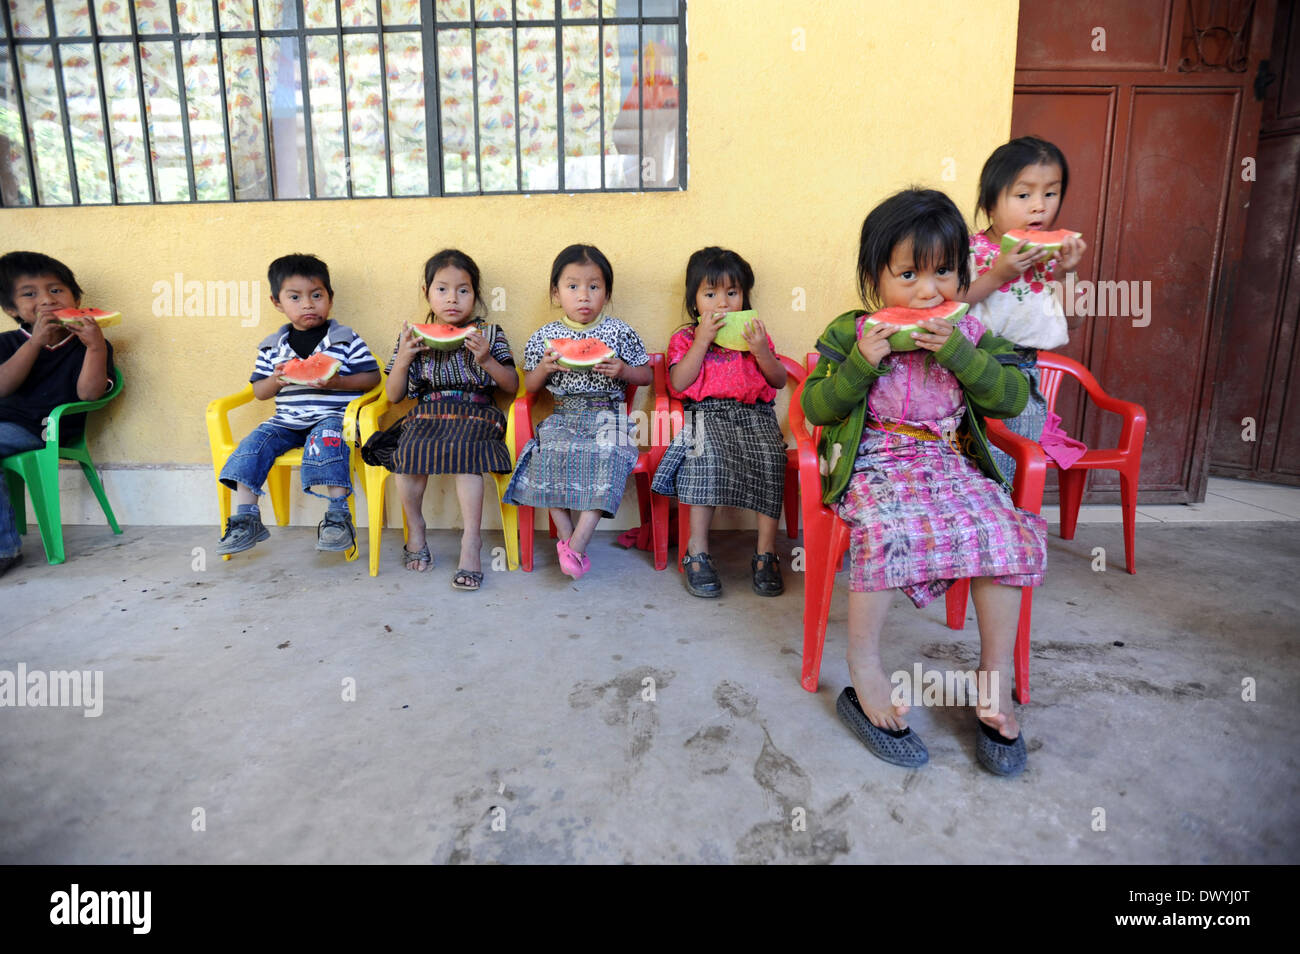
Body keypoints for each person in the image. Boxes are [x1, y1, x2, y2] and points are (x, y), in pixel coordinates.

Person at [802, 188, 1048, 776]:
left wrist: (964, 356)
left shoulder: (974, 332)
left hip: (949, 459)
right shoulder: (849, 332)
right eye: (908, 274)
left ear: (964, 273)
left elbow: (1013, 398)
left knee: (1004, 529)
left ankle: (994, 678)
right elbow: (816, 407)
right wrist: (862, 362)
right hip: (875, 462)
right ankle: (864, 666)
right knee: (886, 529)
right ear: (874, 278)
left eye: (943, 272)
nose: (927, 291)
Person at [502, 244, 652, 580]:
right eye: (573, 286)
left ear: (606, 293)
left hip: (609, 415)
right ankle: (567, 536)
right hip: (563, 416)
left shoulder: (620, 332)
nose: (583, 295)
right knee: (545, 453)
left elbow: (646, 375)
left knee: (611, 452)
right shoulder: (545, 336)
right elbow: (531, 387)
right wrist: (543, 367)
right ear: (556, 293)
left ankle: (577, 543)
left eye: (594, 286)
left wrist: (625, 372)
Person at [217, 253, 380, 556]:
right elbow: (260, 392)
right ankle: (245, 519)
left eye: (316, 295)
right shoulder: (270, 346)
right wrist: (278, 379)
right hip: (287, 421)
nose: (307, 304)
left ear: (329, 298)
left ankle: (337, 515)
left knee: (328, 441)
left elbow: (371, 377)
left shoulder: (346, 339)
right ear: (277, 302)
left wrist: (339, 382)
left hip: (333, 417)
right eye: (295, 297)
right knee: (253, 444)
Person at [651, 246, 788, 598]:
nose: (722, 303)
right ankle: (697, 551)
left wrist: (760, 351)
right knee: (704, 455)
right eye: (710, 294)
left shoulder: (754, 334)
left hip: (755, 415)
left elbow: (778, 381)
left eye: (732, 293)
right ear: (694, 301)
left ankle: (766, 553)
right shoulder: (684, 338)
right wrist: (701, 341)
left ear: (744, 297)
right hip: (704, 416)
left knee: (773, 456)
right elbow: (678, 384)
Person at [383, 249, 518, 589]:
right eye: (441, 289)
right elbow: (394, 396)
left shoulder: (490, 333)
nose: (453, 298)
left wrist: (487, 360)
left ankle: (471, 541)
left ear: (475, 295)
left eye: (463, 290)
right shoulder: (412, 335)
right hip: (427, 411)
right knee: (406, 454)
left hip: (478, 411)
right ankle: (416, 528)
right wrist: (402, 360)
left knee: (466, 453)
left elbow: (512, 386)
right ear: (427, 292)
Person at [962, 136, 1088, 481]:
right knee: (969, 465)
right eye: (1023, 194)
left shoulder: (1053, 258)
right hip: (968, 372)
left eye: (1050, 193)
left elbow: (1074, 320)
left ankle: (1009, 525)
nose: (1039, 206)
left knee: (1013, 467)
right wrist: (999, 273)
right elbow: (952, 305)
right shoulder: (969, 252)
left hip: (1021, 376)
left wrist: (1068, 273)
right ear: (990, 204)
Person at [0, 252, 115, 576]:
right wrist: (34, 343)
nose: (46, 300)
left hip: (45, 429)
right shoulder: (8, 343)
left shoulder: (88, 343)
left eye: (56, 290)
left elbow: (89, 394)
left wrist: (95, 347)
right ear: (12, 309)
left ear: (75, 299)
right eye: (29, 294)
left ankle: (4, 548)